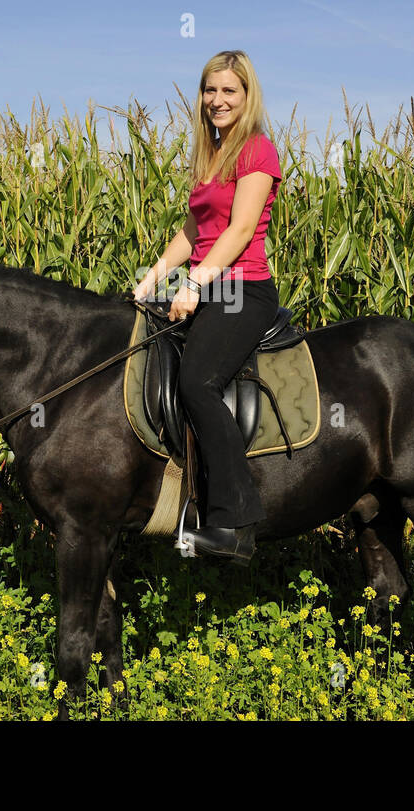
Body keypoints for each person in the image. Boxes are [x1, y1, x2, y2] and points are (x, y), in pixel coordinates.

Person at [131, 50, 283, 563]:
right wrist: (153, 277)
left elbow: (240, 230)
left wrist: (195, 282)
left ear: (246, 96)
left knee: (198, 382)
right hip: (203, 282)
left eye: (228, 91)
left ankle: (235, 523)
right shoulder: (210, 155)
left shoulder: (256, 150)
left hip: (242, 289)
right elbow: (195, 230)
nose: (217, 100)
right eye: (209, 90)